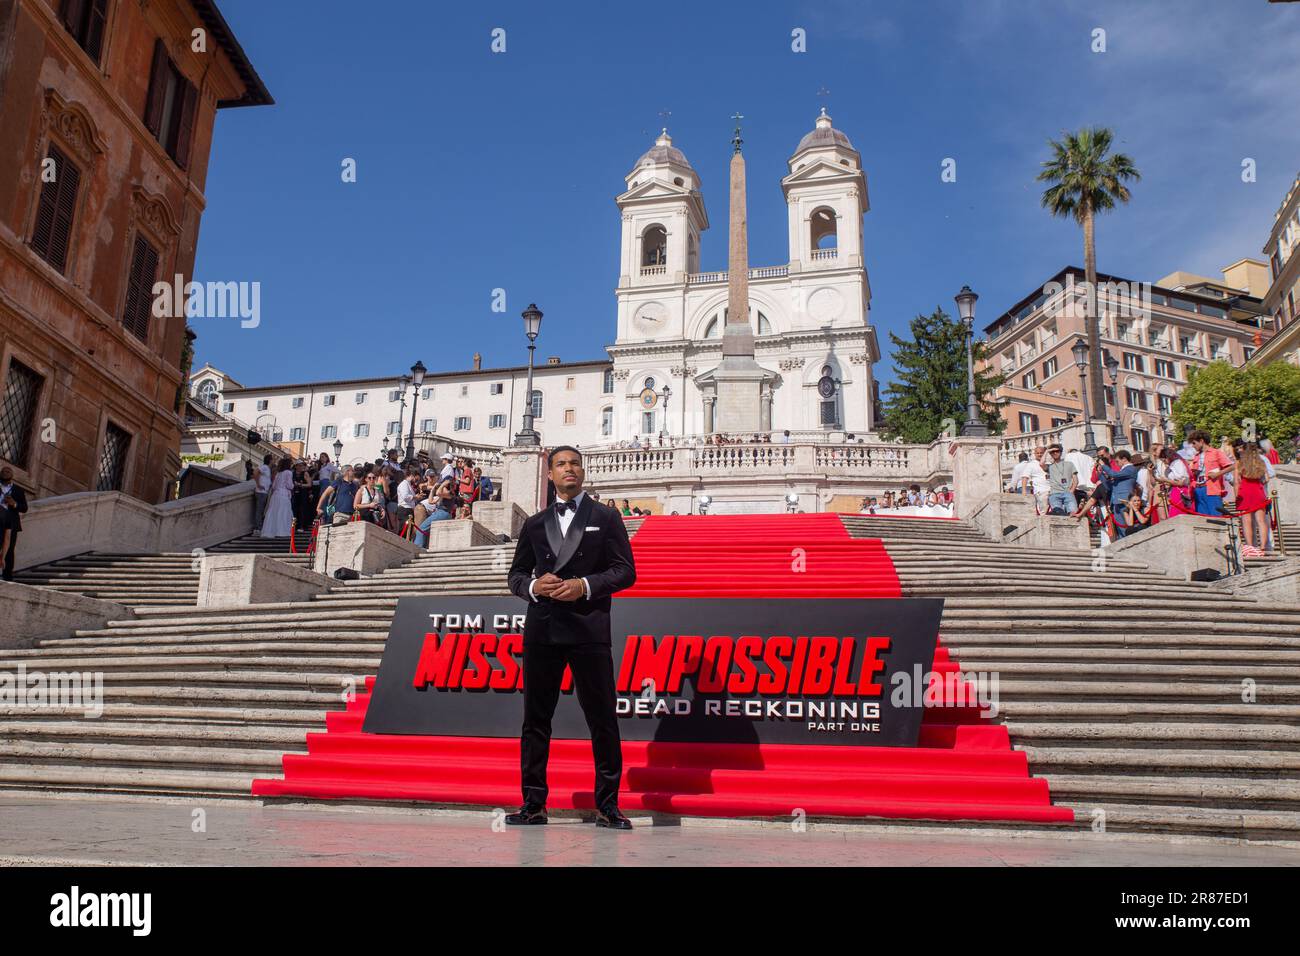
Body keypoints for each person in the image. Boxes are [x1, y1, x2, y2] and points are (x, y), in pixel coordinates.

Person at [506, 445, 636, 830]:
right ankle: (533, 804)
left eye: (575, 463)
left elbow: (625, 571)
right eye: (561, 464)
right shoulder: (534, 523)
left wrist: (584, 585)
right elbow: (515, 576)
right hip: (542, 629)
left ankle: (608, 806)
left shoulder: (606, 517)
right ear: (550, 474)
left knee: (602, 719)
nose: (569, 469)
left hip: (589, 628)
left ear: (583, 471)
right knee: (535, 720)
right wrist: (533, 586)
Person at [1234, 443, 1271, 557]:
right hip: (1258, 491)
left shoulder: (1239, 463)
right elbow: (1267, 479)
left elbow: (1236, 481)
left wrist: (1237, 496)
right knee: (1261, 521)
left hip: (1244, 491)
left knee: (1246, 521)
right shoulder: (1260, 462)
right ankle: (1263, 547)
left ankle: (1250, 547)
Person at [1188, 430, 1232, 516]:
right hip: (1198, 489)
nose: (1193, 446)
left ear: (1201, 441)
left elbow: (1231, 466)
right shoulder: (1196, 456)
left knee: (1216, 517)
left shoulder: (1216, 452)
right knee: (1202, 519)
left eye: (1194, 443)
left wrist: (1217, 474)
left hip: (1212, 489)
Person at [0, 466, 29, 580]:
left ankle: (7, 576)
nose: (5, 472)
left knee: (10, 549)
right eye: (3, 471)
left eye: (8, 471)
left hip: (10, 523)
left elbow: (24, 508)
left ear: (12, 475)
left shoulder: (18, 490)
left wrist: (14, 504)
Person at [260, 458, 295, 537]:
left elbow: (274, 486)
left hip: (275, 495)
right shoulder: (288, 473)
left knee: (273, 513)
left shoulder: (278, 473)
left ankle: (271, 531)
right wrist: (293, 485)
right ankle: (282, 531)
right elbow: (289, 485)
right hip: (284, 495)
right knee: (283, 513)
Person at [1045, 444, 1077, 515]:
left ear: (1061, 452)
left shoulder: (1069, 464)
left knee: (1073, 513)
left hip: (1068, 492)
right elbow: (1041, 463)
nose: (1055, 453)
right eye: (1053, 452)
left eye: (1057, 451)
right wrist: (1047, 451)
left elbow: (1075, 480)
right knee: (1058, 514)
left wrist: (1072, 490)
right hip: (1054, 493)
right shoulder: (1049, 466)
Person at [252, 453, 272, 536]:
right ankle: (257, 529)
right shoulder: (264, 467)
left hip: (264, 492)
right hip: (261, 492)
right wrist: (258, 484)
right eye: (273, 459)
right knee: (259, 510)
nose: (274, 461)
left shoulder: (268, 468)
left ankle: (258, 527)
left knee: (261, 510)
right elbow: (256, 472)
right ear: (270, 460)